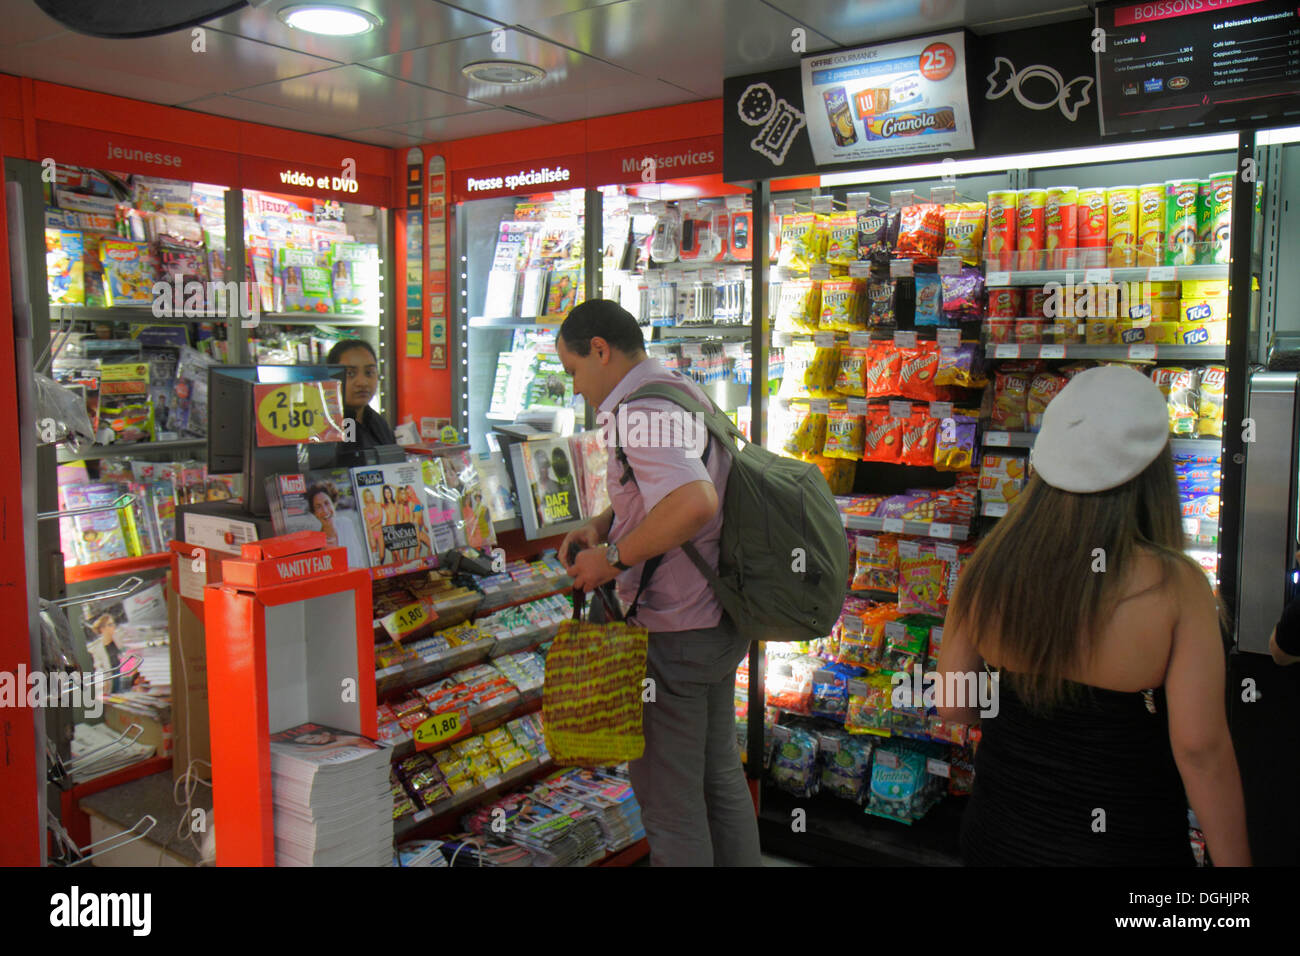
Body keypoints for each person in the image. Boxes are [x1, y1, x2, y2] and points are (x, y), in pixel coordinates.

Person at [938, 365, 1250, 867]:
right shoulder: (1177, 587)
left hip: (998, 836)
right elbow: (1200, 751)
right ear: (1152, 471)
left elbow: (955, 705)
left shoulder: (989, 566)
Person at [556, 299, 760, 868]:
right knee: (717, 778)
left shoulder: (640, 410)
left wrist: (613, 559)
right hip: (715, 619)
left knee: (670, 802)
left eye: (574, 370)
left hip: (674, 627)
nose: (576, 388)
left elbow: (695, 502)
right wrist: (604, 523)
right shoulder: (676, 386)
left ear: (600, 350)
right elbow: (671, 490)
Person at [326, 339, 396, 449]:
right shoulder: (326, 427)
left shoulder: (378, 422)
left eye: (369, 373)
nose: (362, 382)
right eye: (350, 373)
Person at [304, 481, 369, 571]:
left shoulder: (346, 525)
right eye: (318, 507)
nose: (325, 510)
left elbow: (360, 559)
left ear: (334, 504)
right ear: (314, 513)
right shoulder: (317, 546)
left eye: (327, 503)